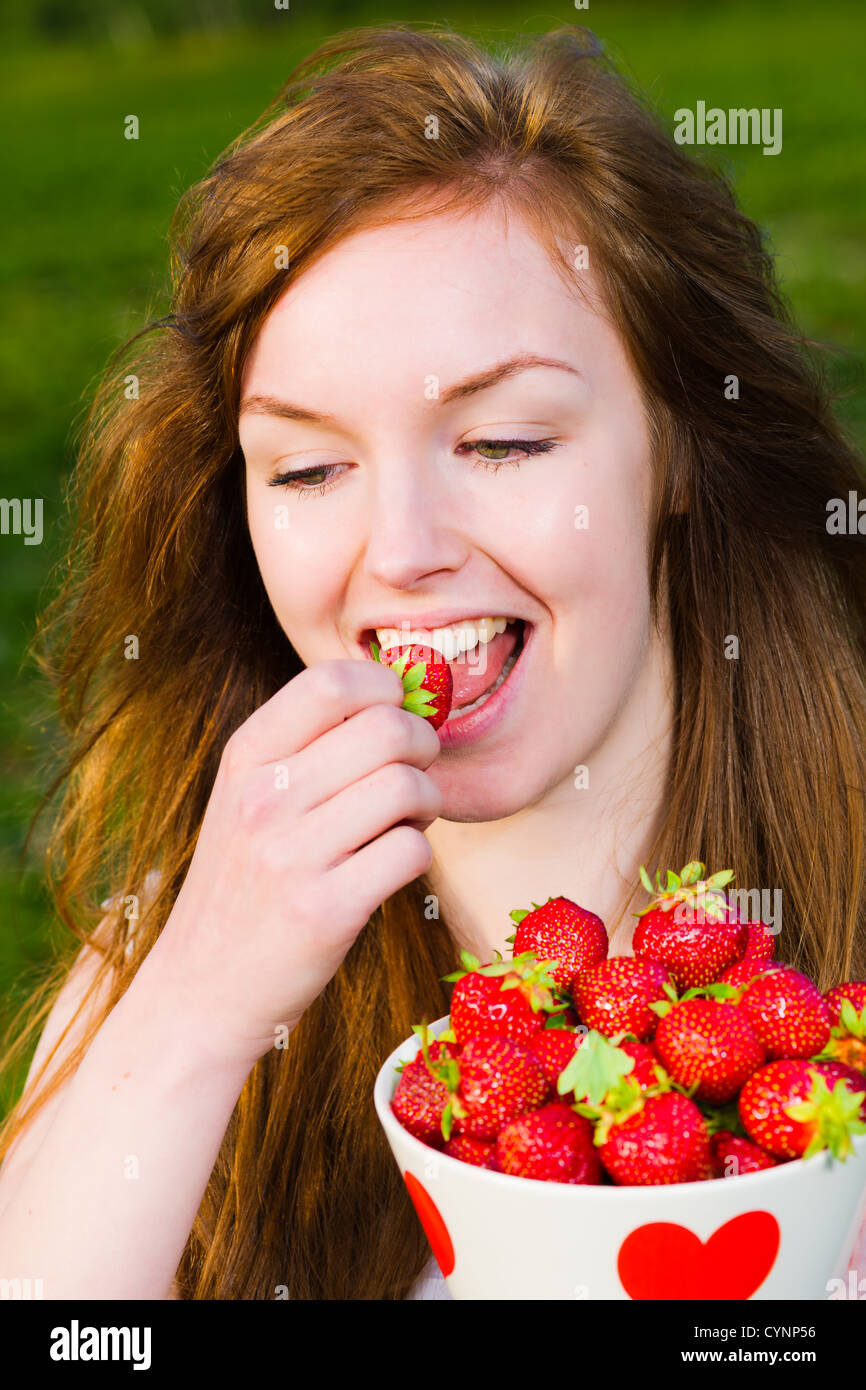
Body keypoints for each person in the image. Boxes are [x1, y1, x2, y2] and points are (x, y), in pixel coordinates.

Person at [0, 22, 864, 1301]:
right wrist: (192, 1014)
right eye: (307, 468)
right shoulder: (163, 991)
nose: (398, 551)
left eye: (503, 442)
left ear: (676, 451)